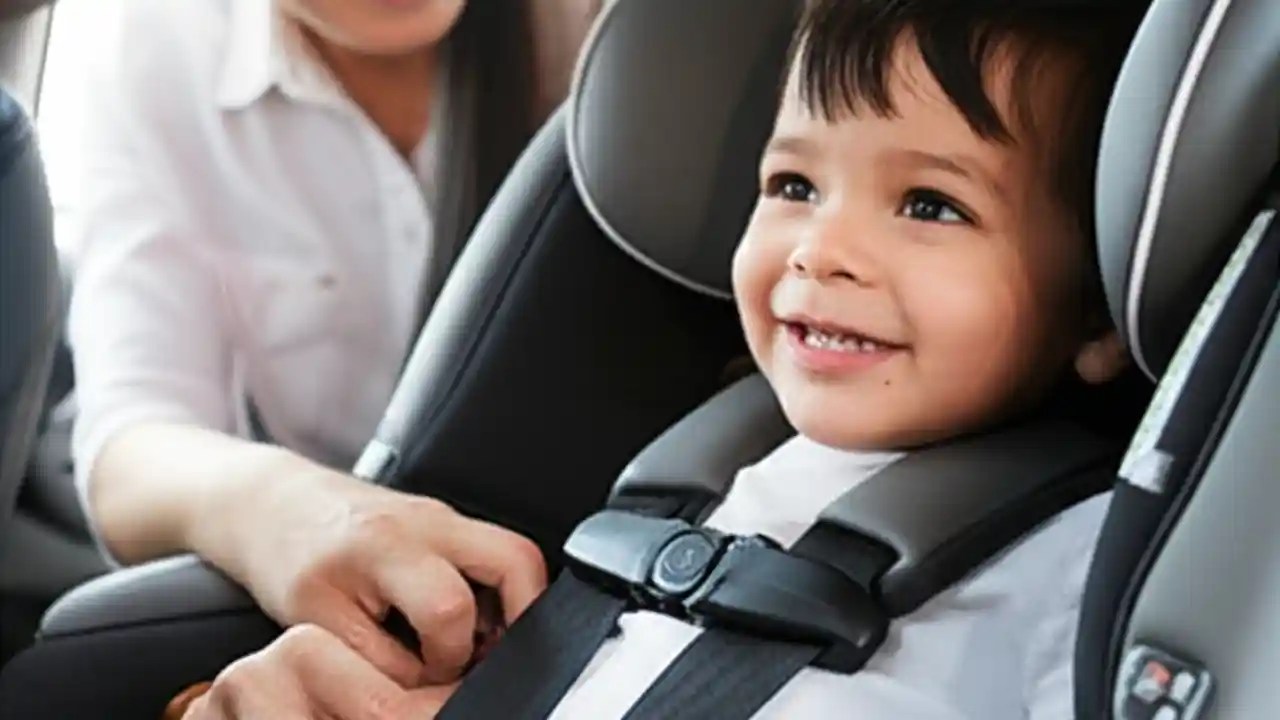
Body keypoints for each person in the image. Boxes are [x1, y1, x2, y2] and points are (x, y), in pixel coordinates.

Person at [178, 0, 1150, 716]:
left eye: (929, 206)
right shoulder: (697, 485)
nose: (818, 247)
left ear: (1099, 308)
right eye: (793, 183)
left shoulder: (1100, 561)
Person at [67, 0, 600, 703]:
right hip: (365, 606)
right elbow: (129, 449)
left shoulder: (616, 29)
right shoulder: (155, 51)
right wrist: (291, 511)